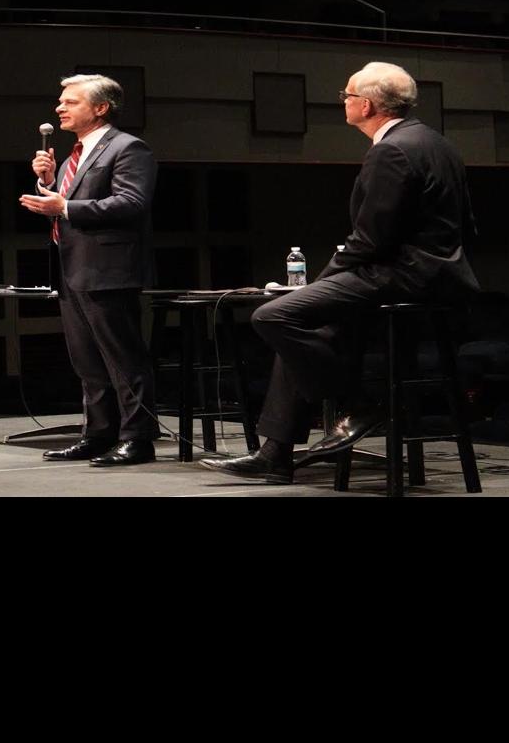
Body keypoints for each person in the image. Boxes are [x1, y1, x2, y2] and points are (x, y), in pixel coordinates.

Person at [199, 62, 480, 484]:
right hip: (436, 274)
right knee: (306, 330)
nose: (343, 102)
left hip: (404, 276)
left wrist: (322, 282)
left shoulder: (391, 150)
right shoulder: (438, 143)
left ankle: (361, 405)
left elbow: (370, 241)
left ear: (366, 105)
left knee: (274, 315)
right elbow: (467, 225)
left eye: (346, 95)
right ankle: (276, 453)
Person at [18, 74, 160, 467]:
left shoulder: (128, 147)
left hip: (109, 269)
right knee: (87, 360)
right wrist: (50, 184)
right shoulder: (73, 156)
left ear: (100, 108)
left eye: (71, 102)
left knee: (123, 358)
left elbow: (131, 203)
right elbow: (69, 205)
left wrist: (63, 206)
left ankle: (138, 439)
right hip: (72, 267)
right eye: (61, 101)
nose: (59, 108)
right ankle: (98, 434)